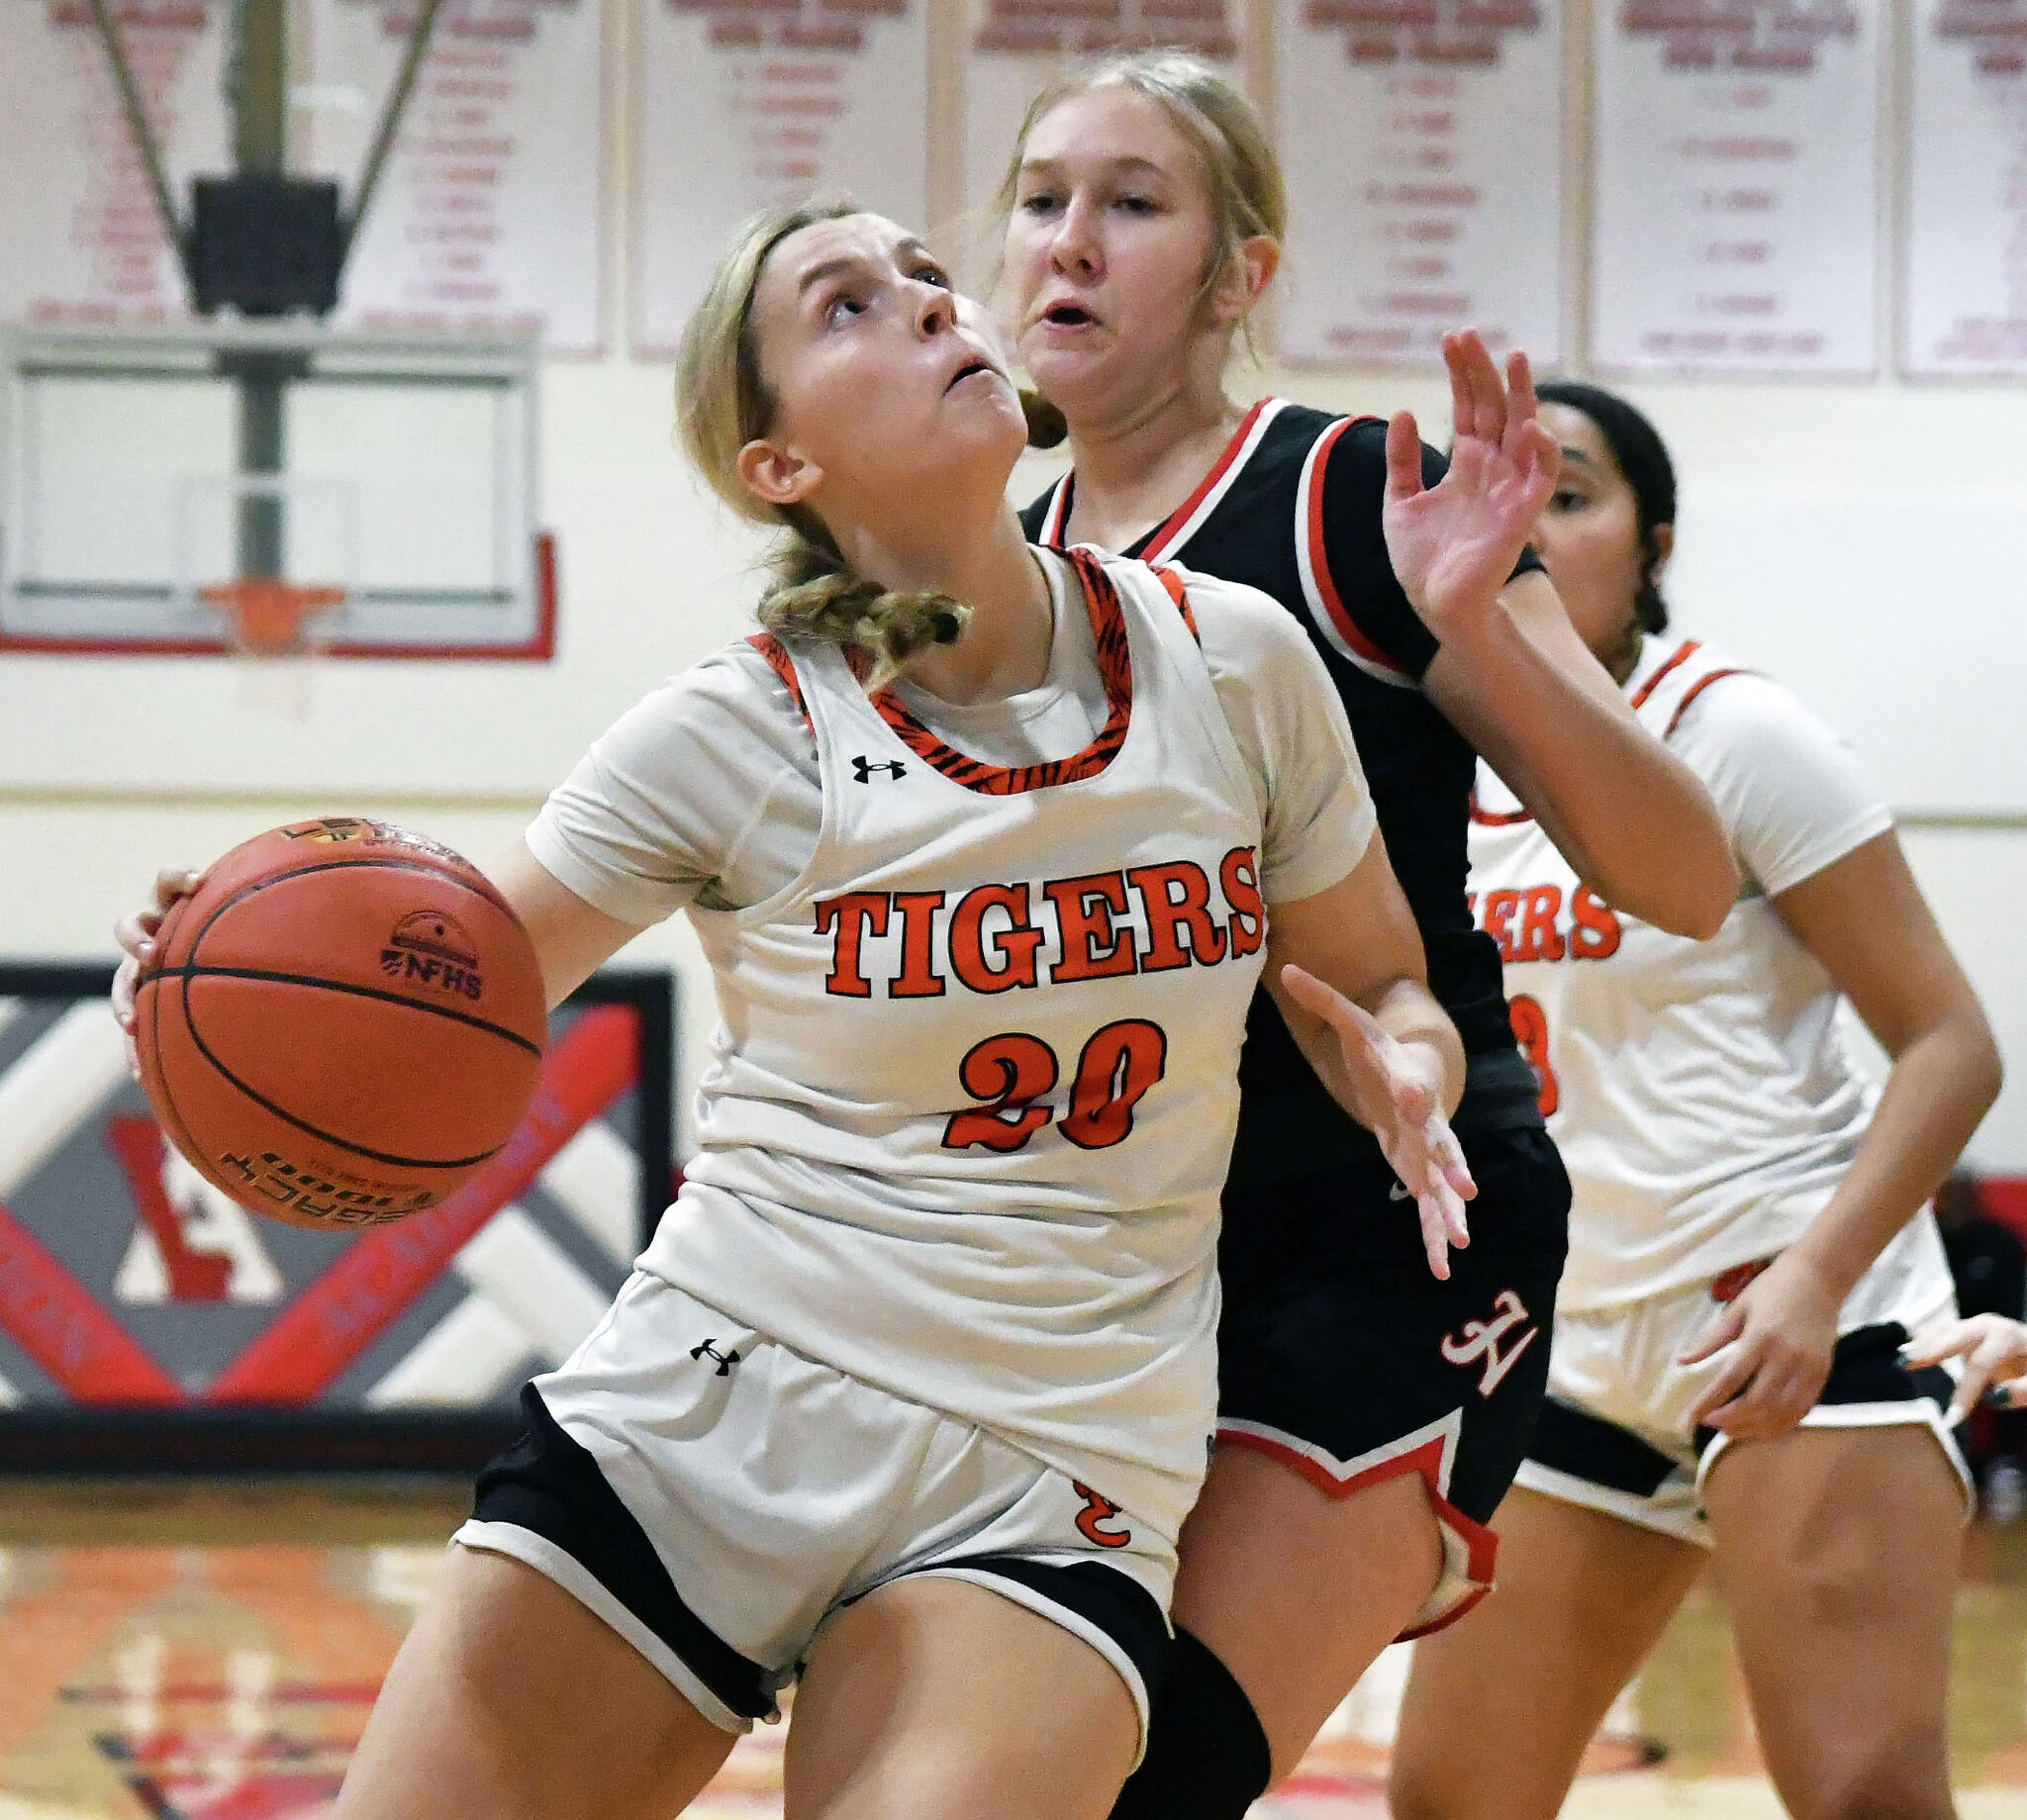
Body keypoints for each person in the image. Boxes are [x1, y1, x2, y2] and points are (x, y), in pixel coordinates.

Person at [112, 200, 1482, 1820]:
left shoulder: (1232, 660)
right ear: (780, 467)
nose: (924, 302)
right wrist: (223, 982)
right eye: (847, 305)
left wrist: (1408, 1063)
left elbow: (1386, 976)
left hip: (1056, 1457)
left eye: (921, 274)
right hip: (719, 1397)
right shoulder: (732, 732)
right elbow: (459, 979)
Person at [994, 50, 1741, 1815]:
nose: (1068, 244)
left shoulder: (1358, 495)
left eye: (1132, 202)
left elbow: (1688, 876)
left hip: (1381, 1216)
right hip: (1112, 1247)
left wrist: (1477, 621)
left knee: (1149, 1777)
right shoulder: (991, 555)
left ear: (1241, 275)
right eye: (1039, 200)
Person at [1390, 380, 2003, 1820]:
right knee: (1448, 1797)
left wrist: (1816, 1278)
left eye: (1570, 491)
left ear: (1651, 545)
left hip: (1802, 1317)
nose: (1522, 522)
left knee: (1862, 1799)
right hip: (1575, 1342)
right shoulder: (1414, 768)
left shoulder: (1738, 733)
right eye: (1493, 486)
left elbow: (1952, 1043)